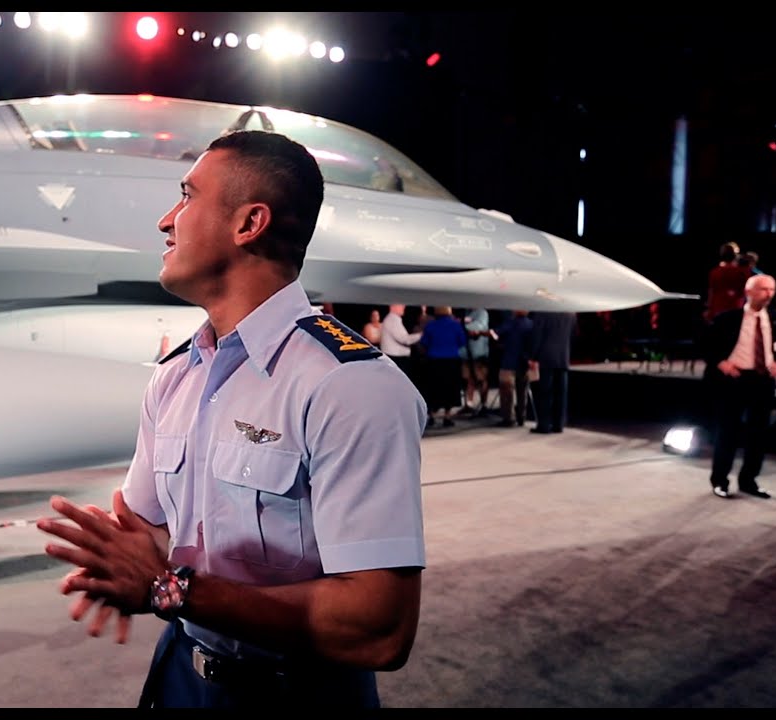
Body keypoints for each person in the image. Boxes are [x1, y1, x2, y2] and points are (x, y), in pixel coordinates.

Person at [36, 130, 428, 708]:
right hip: (180, 674)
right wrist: (112, 559)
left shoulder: (350, 387)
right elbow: (145, 530)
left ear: (250, 224)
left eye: (187, 196)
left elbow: (379, 627)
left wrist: (172, 590)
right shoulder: (175, 376)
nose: (166, 221)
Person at [701, 273, 776, 500]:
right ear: (749, 292)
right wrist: (722, 363)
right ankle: (720, 480)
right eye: (763, 289)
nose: (769, 294)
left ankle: (749, 480)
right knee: (728, 432)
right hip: (735, 380)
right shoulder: (728, 319)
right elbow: (706, 344)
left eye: (772, 289)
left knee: (758, 433)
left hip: (763, 380)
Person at [527, 311, 577, 434]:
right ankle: (558, 425)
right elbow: (573, 336)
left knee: (544, 393)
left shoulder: (543, 312)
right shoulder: (571, 314)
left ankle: (544, 425)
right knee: (560, 394)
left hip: (545, 358)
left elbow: (537, 336)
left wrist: (532, 356)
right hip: (563, 358)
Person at [419, 305, 467, 428]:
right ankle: (447, 416)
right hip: (451, 360)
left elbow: (424, 343)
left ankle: (432, 416)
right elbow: (462, 342)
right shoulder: (455, 325)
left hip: (434, 361)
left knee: (433, 389)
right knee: (450, 389)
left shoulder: (430, 326)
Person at [493, 309, 533, 427]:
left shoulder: (510, 323)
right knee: (522, 392)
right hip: (524, 363)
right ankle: (521, 417)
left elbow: (496, 334)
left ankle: (508, 418)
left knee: (507, 393)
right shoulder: (531, 324)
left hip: (508, 362)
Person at [705, 241, 751, 323]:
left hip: (718, 309)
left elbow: (711, 292)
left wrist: (709, 309)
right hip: (734, 309)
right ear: (735, 255)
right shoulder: (741, 272)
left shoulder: (714, 272)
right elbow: (745, 292)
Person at [379, 303, 423, 381]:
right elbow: (405, 339)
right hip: (397, 360)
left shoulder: (394, 319)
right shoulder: (393, 320)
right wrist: (422, 334)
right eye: (401, 305)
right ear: (393, 306)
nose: (404, 307)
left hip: (396, 359)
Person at [460, 307, 492, 415]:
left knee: (481, 379)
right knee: (468, 379)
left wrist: (462, 326)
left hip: (479, 352)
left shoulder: (482, 312)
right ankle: (468, 404)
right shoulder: (466, 312)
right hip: (466, 352)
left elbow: (479, 327)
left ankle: (484, 405)